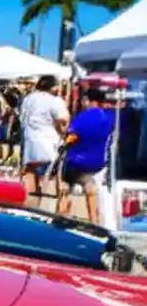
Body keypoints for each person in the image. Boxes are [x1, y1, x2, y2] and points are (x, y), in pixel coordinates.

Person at [58, 88, 115, 225]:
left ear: (88, 101)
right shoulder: (108, 117)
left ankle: (62, 216)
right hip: (98, 162)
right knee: (90, 186)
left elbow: (73, 135)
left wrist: (64, 145)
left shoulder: (83, 117)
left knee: (66, 186)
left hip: (76, 161)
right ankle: (94, 221)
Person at [19, 75, 69, 207]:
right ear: (53, 87)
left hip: (31, 140)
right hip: (50, 141)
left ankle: (29, 204)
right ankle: (61, 207)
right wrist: (61, 129)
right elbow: (64, 119)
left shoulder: (28, 99)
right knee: (60, 174)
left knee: (30, 171)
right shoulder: (55, 101)